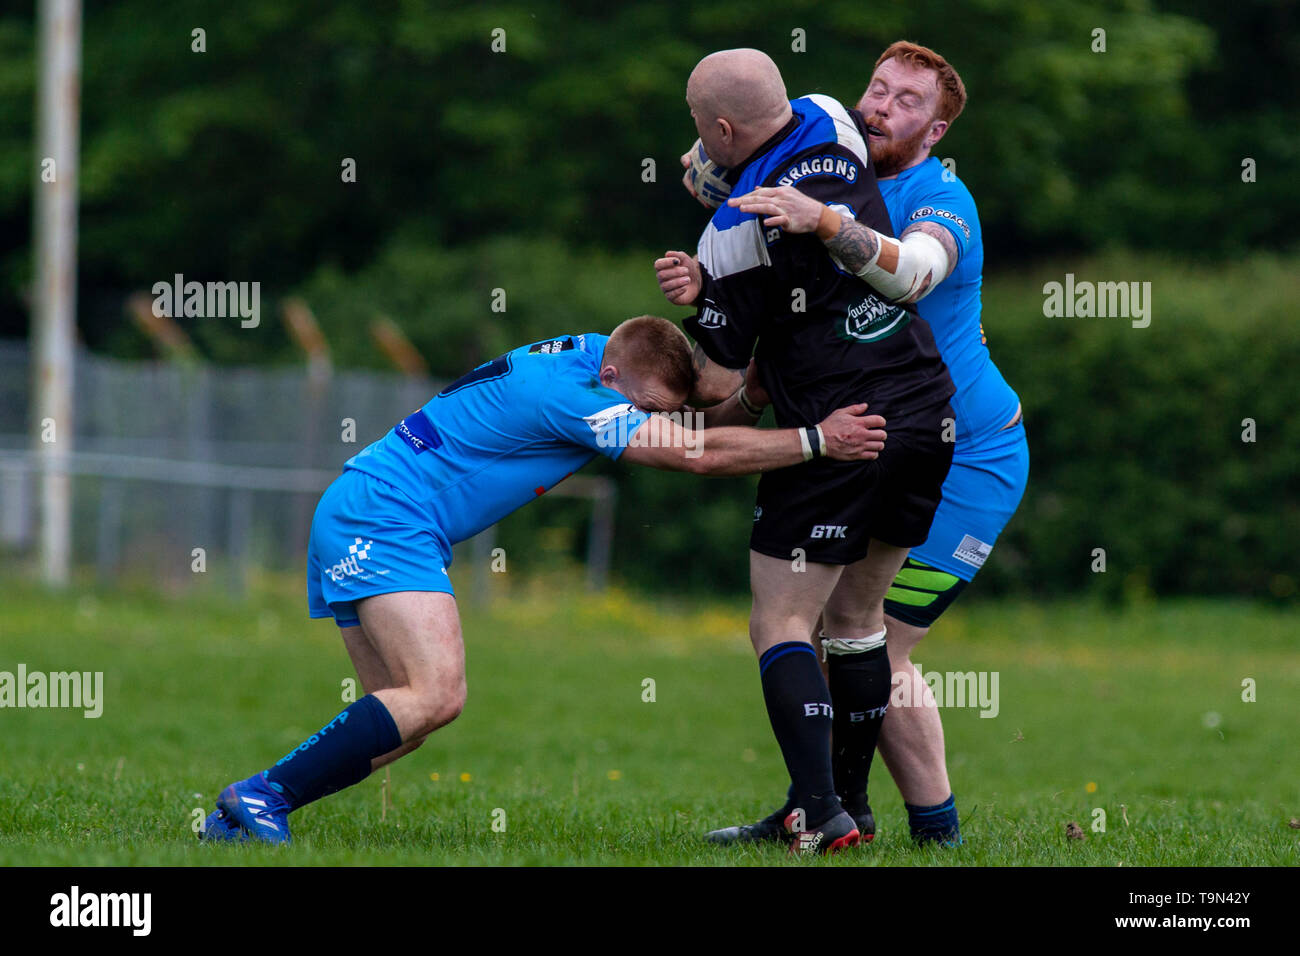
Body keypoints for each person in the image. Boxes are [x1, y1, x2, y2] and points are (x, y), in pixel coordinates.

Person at [198, 315, 887, 843]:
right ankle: (260, 795)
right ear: (614, 381)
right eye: (642, 409)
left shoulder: (597, 360)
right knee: (436, 694)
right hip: (385, 519)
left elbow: (693, 420)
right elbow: (697, 454)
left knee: (400, 716)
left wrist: (751, 392)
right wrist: (817, 440)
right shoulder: (570, 396)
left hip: (362, 507)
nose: (645, 424)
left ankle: (246, 813)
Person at [703, 42, 1029, 848]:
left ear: (937, 129)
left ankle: (930, 831)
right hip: (888, 431)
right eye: (878, 89)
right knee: (829, 629)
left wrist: (827, 223)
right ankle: (825, 810)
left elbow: (914, 273)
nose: (883, 107)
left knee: (872, 636)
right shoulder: (833, 160)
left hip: (969, 453)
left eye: (908, 102)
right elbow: (717, 162)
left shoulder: (937, 194)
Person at [654, 49, 956, 853]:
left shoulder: (727, 239)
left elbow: (718, 385)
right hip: (924, 408)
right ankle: (847, 809)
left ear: (719, 128)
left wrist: (700, 299)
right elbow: (774, 158)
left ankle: (817, 816)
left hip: (839, 424)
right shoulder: (829, 117)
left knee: (780, 620)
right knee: (857, 624)